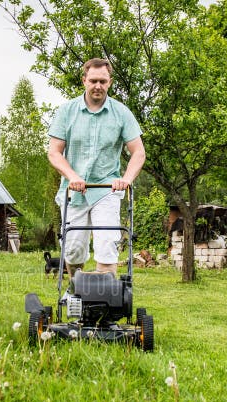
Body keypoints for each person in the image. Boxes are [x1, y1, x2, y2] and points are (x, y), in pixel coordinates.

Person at [47, 57, 146, 275]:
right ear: (84, 81)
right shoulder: (67, 111)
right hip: (74, 191)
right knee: (73, 250)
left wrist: (126, 180)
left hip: (107, 190)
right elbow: (54, 152)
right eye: (93, 81)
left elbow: (138, 152)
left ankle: (106, 298)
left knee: (107, 244)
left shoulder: (121, 113)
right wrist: (72, 176)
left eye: (103, 81)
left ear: (110, 82)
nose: (98, 86)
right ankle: (76, 288)